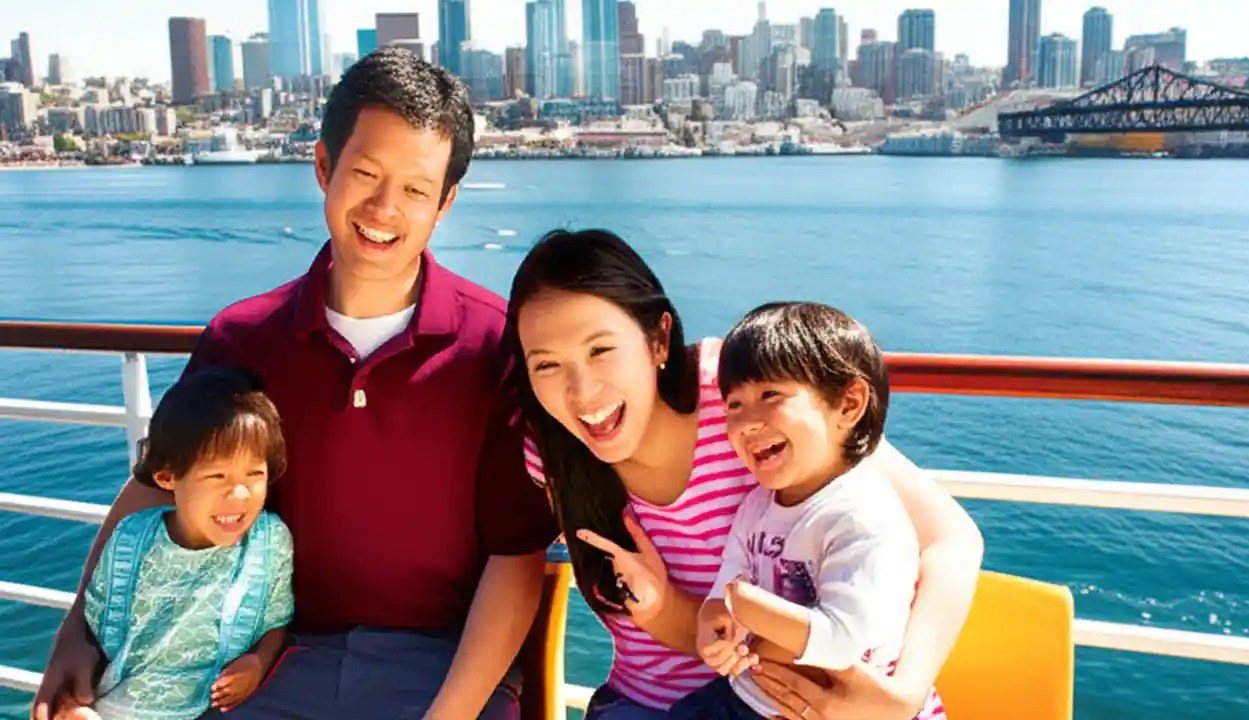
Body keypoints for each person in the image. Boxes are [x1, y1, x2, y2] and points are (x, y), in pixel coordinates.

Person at [32, 47, 558, 720]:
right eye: (365, 173)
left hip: (445, 666)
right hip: (273, 660)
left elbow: (516, 555)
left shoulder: (495, 346)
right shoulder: (243, 337)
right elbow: (154, 481)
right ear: (322, 167)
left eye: (416, 189)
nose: (385, 208)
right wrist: (76, 632)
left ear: (445, 202)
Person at [509, 229, 984, 719]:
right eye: (547, 365)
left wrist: (902, 693)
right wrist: (664, 610)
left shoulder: (743, 396)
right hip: (654, 705)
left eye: (600, 350)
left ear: (659, 339)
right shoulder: (553, 456)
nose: (582, 393)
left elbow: (949, 539)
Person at [668, 302, 944, 720]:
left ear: (849, 404)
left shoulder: (863, 517)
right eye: (734, 405)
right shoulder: (759, 504)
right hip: (753, 696)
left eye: (769, 396)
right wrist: (714, 617)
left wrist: (744, 606)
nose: (746, 422)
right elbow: (730, 573)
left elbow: (844, 640)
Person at [59, 366, 293, 720]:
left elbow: (277, 619)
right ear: (168, 477)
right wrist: (77, 693)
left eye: (255, 474)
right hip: (120, 703)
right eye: (217, 476)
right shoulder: (132, 539)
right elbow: (100, 624)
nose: (240, 494)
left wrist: (257, 663)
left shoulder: (269, 540)